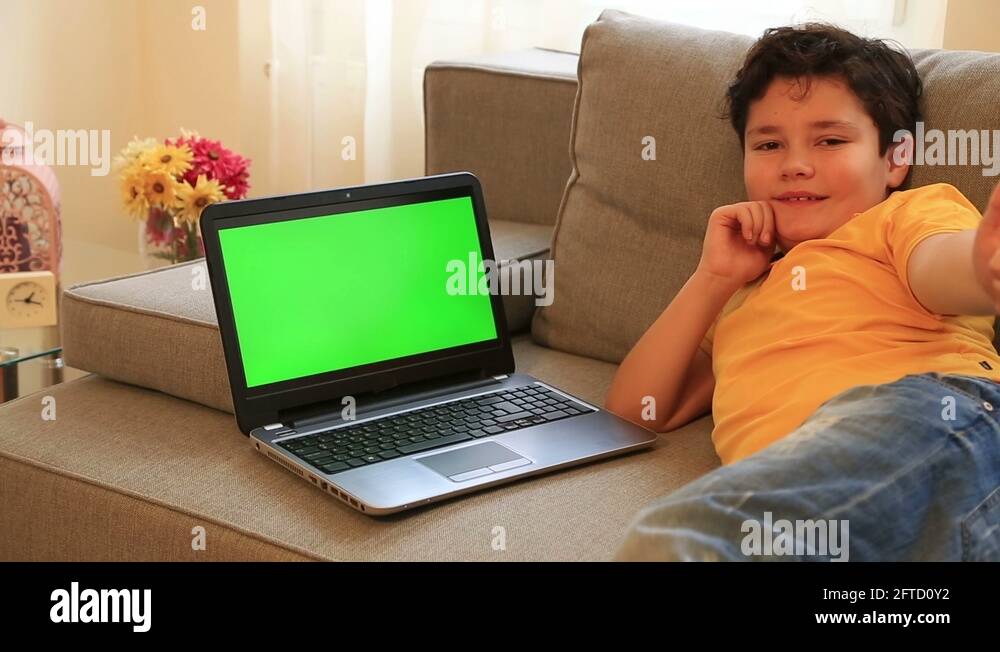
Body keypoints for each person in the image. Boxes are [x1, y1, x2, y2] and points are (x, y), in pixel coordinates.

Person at [605, 23, 1000, 561]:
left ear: (895, 158)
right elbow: (634, 411)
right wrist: (712, 280)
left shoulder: (905, 214)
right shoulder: (742, 296)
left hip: (934, 418)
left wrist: (983, 265)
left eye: (831, 140)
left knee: (680, 542)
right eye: (768, 144)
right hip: (841, 517)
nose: (795, 163)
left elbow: (938, 266)